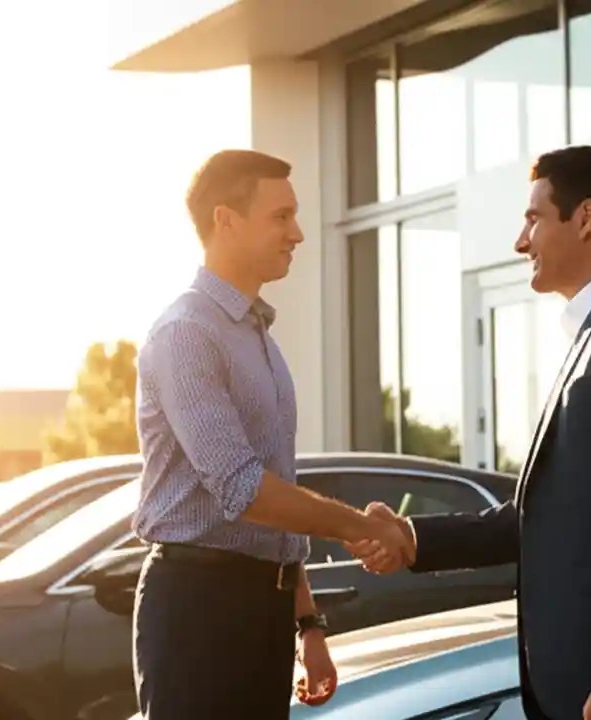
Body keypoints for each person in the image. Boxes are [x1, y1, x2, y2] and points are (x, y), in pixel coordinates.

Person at [350, 146, 591, 720]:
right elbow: (541, 518)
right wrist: (413, 537)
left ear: (585, 219)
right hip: (578, 687)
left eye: (534, 218)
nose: (520, 240)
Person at [132, 149, 413, 719]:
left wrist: (307, 625)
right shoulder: (185, 335)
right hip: (197, 608)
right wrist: (360, 527)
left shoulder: (259, 337)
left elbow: (277, 492)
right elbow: (244, 489)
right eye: (280, 217)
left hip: (264, 604)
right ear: (225, 220)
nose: (298, 233)